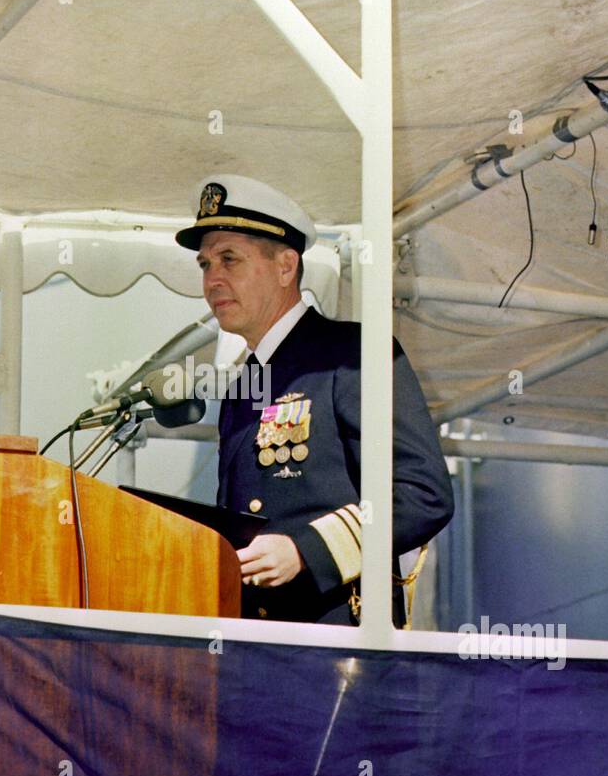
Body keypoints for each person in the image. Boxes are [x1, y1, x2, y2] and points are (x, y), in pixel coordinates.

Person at [175, 174, 454, 626]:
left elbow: (422, 493)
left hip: (336, 641)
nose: (213, 279)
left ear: (286, 267)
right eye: (206, 264)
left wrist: (306, 550)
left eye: (230, 259)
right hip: (256, 643)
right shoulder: (244, 386)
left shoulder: (353, 355)